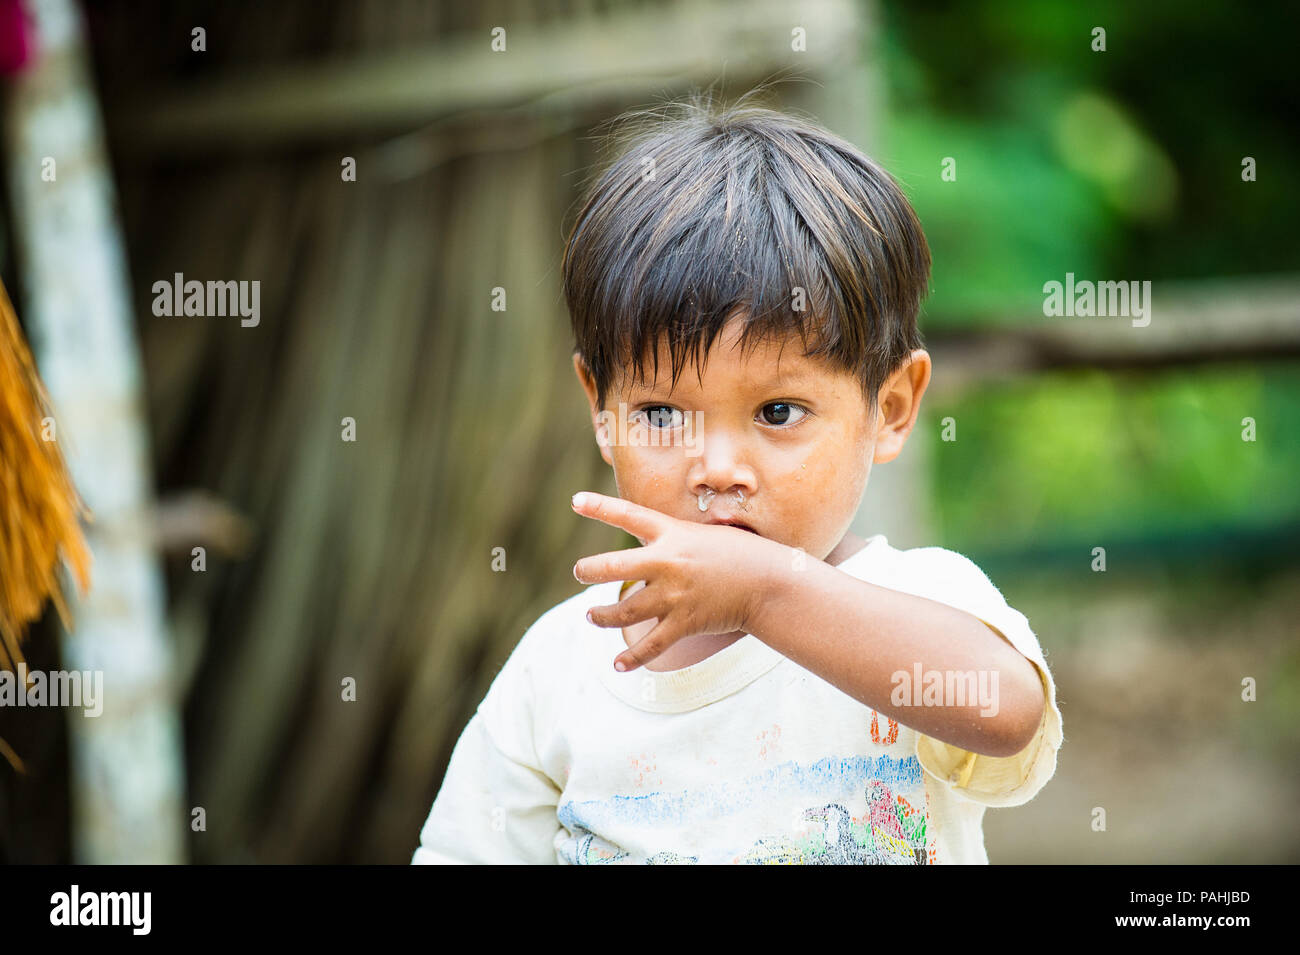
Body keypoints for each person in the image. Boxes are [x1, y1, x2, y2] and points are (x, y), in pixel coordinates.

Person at [412, 89, 1063, 864]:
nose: (718, 469)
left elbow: (1006, 708)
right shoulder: (560, 673)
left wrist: (765, 590)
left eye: (779, 412)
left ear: (889, 409)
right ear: (601, 407)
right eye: (661, 414)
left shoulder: (917, 607)